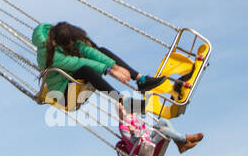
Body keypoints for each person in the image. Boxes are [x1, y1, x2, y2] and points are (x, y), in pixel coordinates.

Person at [32, 20, 183, 108]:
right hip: (64, 93)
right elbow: (78, 62)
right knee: (85, 68)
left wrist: (115, 67)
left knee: (99, 49)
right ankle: (123, 102)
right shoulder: (48, 55)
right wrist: (110, 70)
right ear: (56, 42)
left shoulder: (58, 33)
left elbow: (88, 51)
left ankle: (141, 80)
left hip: (72, 78)